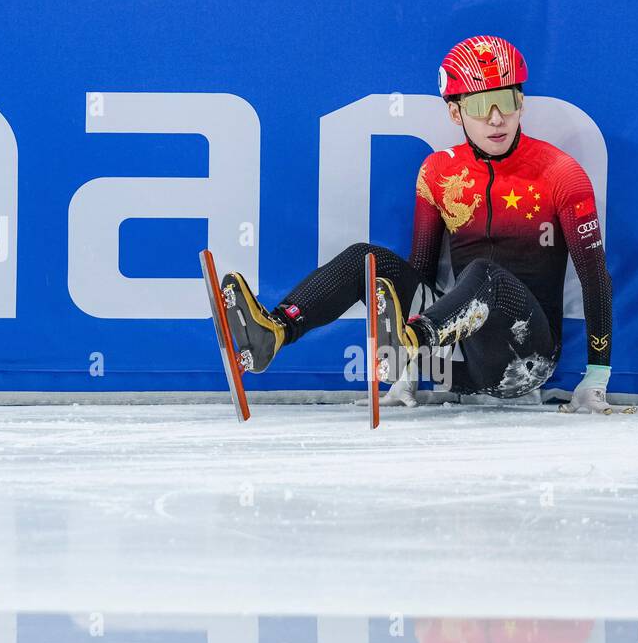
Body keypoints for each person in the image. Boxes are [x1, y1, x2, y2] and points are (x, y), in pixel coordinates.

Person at [219, 35, 617, 412]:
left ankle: (413, 340)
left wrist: (596, 377)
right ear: (455, 112)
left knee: (485, 273)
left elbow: (594, 276)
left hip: (524, 359)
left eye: (506, 101)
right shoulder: (438, 172)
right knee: (365, 258)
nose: (497, 119)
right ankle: (275, 330)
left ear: (521, 103)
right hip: (453, 361)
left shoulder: (561, 173)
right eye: (481, 106)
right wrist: (407, 377)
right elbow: (420, 273)